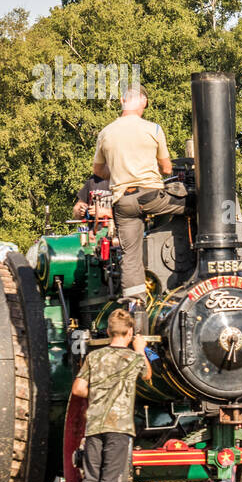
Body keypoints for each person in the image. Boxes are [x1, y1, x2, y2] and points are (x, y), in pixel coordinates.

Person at [92, 84, 185, 330]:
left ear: (123, 100)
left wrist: (119, 169)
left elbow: (99, 172)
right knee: (194, 205)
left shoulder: (106, 132)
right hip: (152, 197)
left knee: (130, 256)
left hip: (123, 202)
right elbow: (166, 169)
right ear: (142, 101)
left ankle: (137, 312)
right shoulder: (152, 129)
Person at [69, 308, 149, 482]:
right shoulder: (133, 359)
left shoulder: (94, 357)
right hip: (119, 427)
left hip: (94, 426)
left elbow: (78, 390)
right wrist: (141, 349)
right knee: (110, 481)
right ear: (130, 332)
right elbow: (147, 374)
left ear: (107, 331)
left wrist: (99, 395)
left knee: (91, 479)